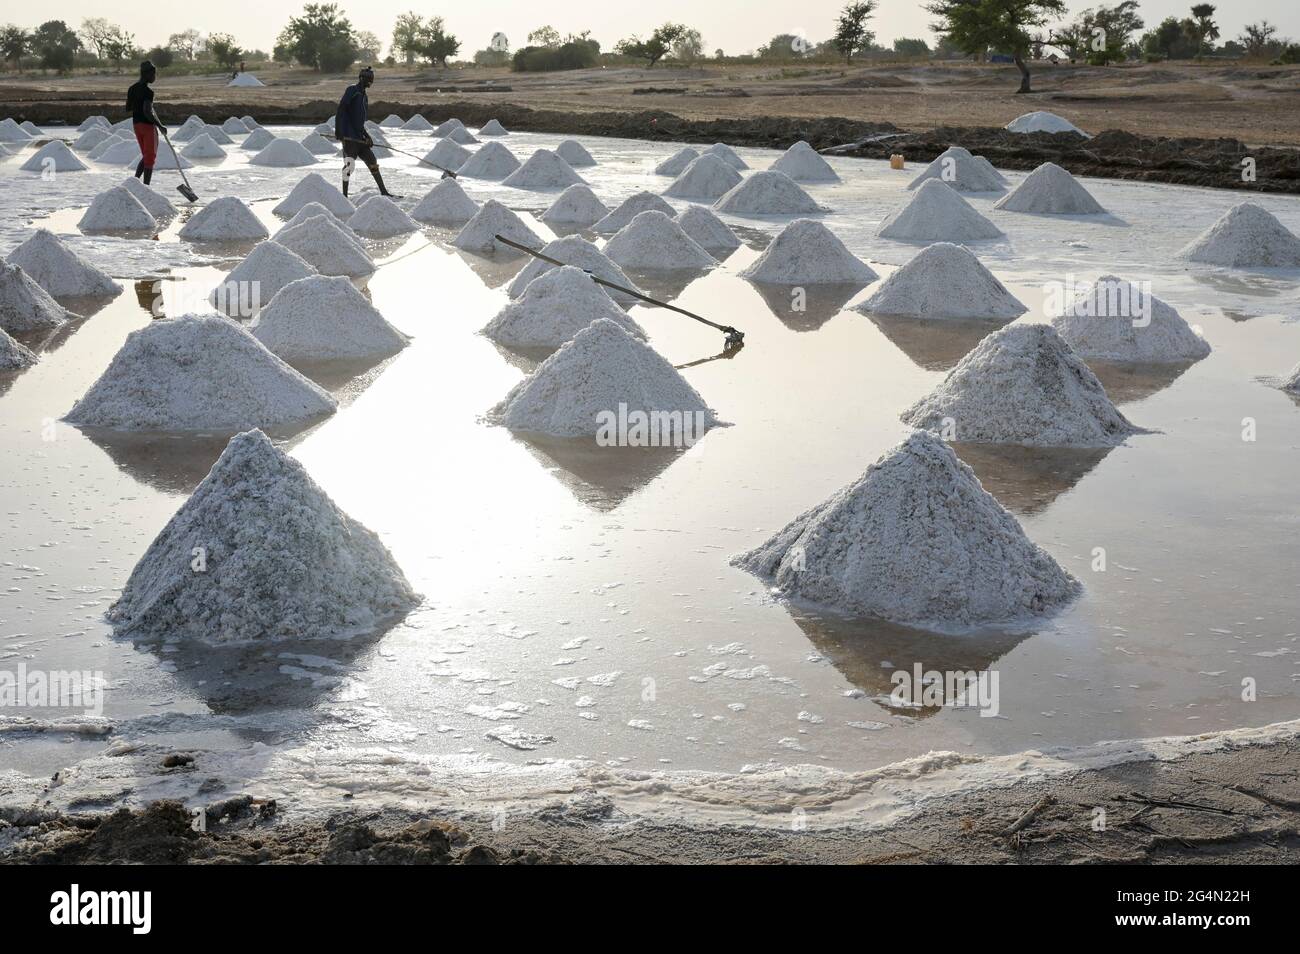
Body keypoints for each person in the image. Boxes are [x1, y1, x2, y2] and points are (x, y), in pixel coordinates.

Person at [334, 66, 396, 198]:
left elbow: (360, 122)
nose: (369, 82)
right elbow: (341, 109)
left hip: (359, 137)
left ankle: (383, 191)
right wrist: (338, 130)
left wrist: (367, 136)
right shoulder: (352, 90)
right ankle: (344, 196)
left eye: (371, 80)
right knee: (349, 165)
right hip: (349, 137)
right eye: (368, 79)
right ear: (361, 78)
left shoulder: (364, 97)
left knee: (372, 161)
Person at [127, 60, 165, 185]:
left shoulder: (132, 88)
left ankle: (135, 183)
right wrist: (159, 126)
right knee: (150, 158)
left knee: (146, 155)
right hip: (148, 127)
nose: (154, 77)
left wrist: (141, 103)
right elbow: (148, 112)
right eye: (153, 74)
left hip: (137, 125)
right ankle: (146, 188)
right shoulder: (148, 92)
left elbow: (128, 108)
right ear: (147, 74)